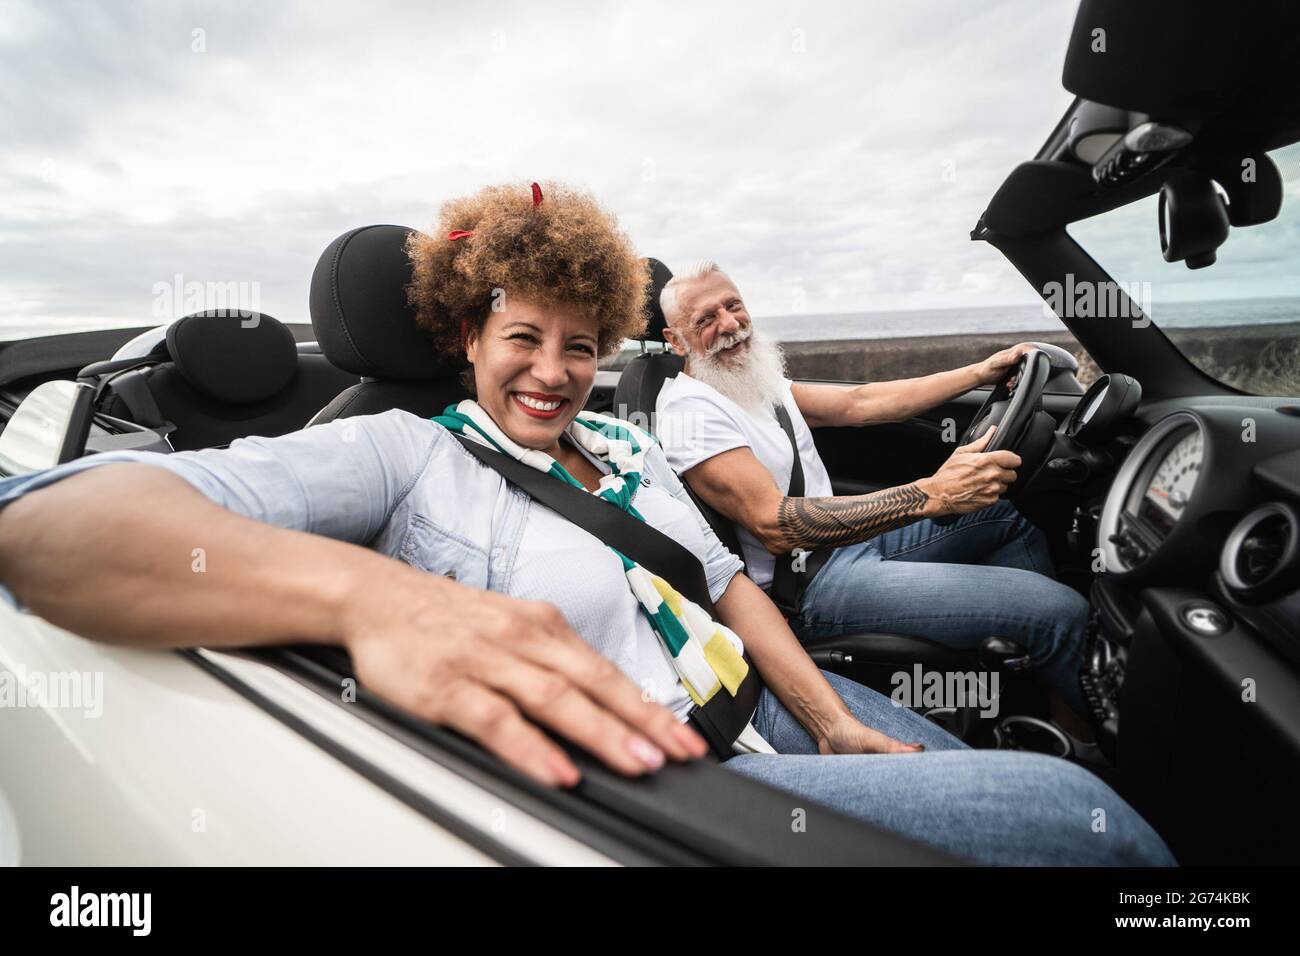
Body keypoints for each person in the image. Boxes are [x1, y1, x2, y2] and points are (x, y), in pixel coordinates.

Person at [0, 182, 1170, 865]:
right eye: (523, 338)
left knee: (985, 779)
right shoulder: (401, 451)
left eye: (579, 344)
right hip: (668, 782)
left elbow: (726, 582)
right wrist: (374, 598)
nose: (554, 372)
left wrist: (828, 715)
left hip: (767, 699)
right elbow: (50, 524)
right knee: (1089, 822)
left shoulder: (619, 441)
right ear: (466, 335)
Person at [653, 260, 1091, 731]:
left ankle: (1045, 696)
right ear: (675, 341)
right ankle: (1091, 735)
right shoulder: (689, 412)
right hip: (807, 587)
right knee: (1060, 612)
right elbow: (775, 525)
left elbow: (859, 403)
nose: (730, 324)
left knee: (1005, 513)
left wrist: (981, 371)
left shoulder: (747, 381)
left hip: (846, 545)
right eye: (705, 320)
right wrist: (930, 494)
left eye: (733, 305)